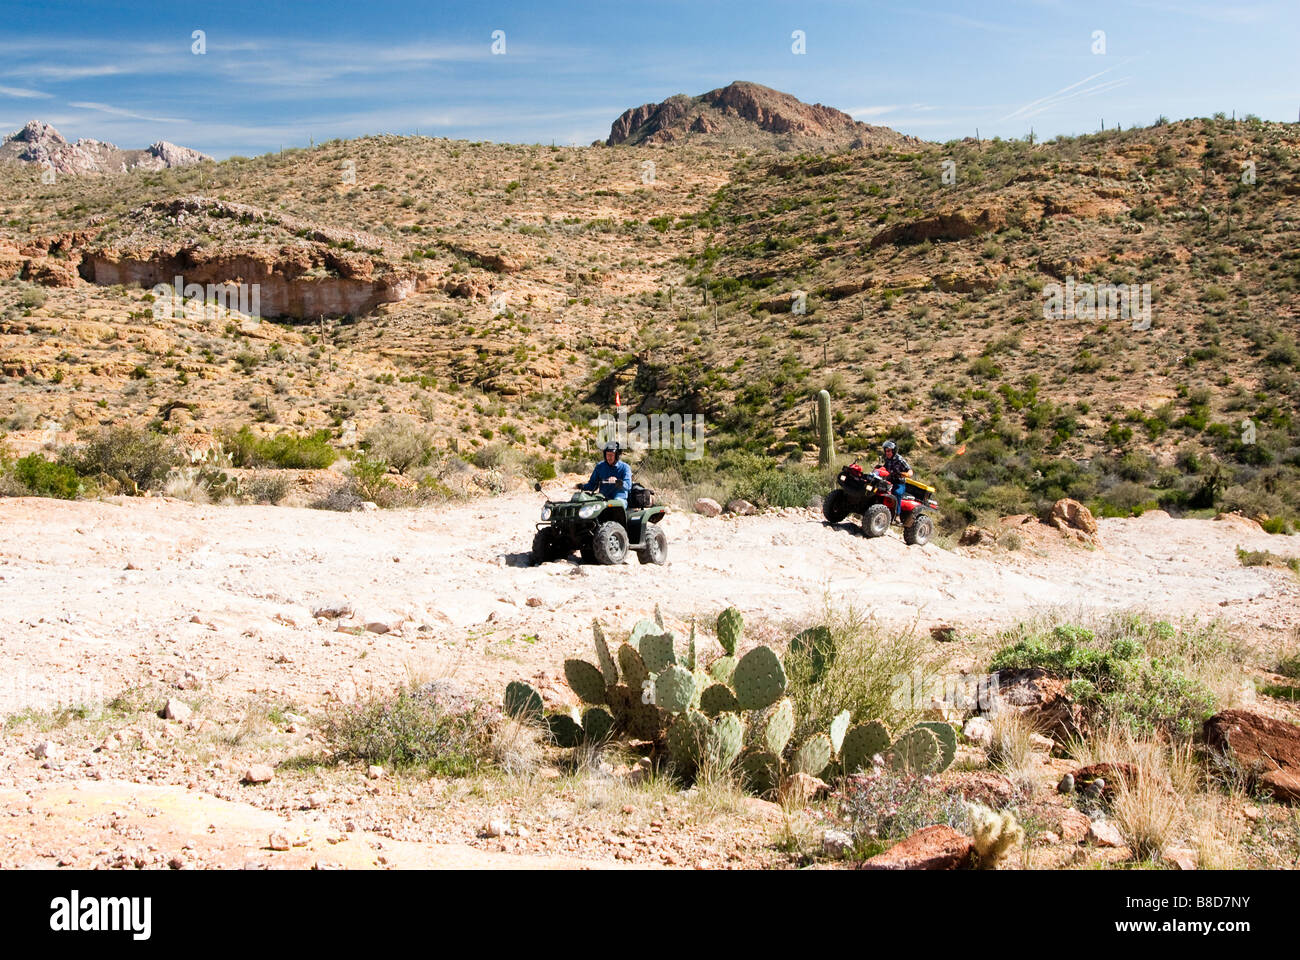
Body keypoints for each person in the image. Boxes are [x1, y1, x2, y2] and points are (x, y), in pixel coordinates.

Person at [879, 440, 913, 520]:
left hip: (899, 483)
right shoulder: (887, 459)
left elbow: (910, 470)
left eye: (889, 451)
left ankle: (897, 515)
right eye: (886, 451)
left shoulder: (900, 459)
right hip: (889, 480)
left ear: (893, 451)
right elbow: (884, 468)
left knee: (896, 493)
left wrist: (907, 474)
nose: (887, 453)